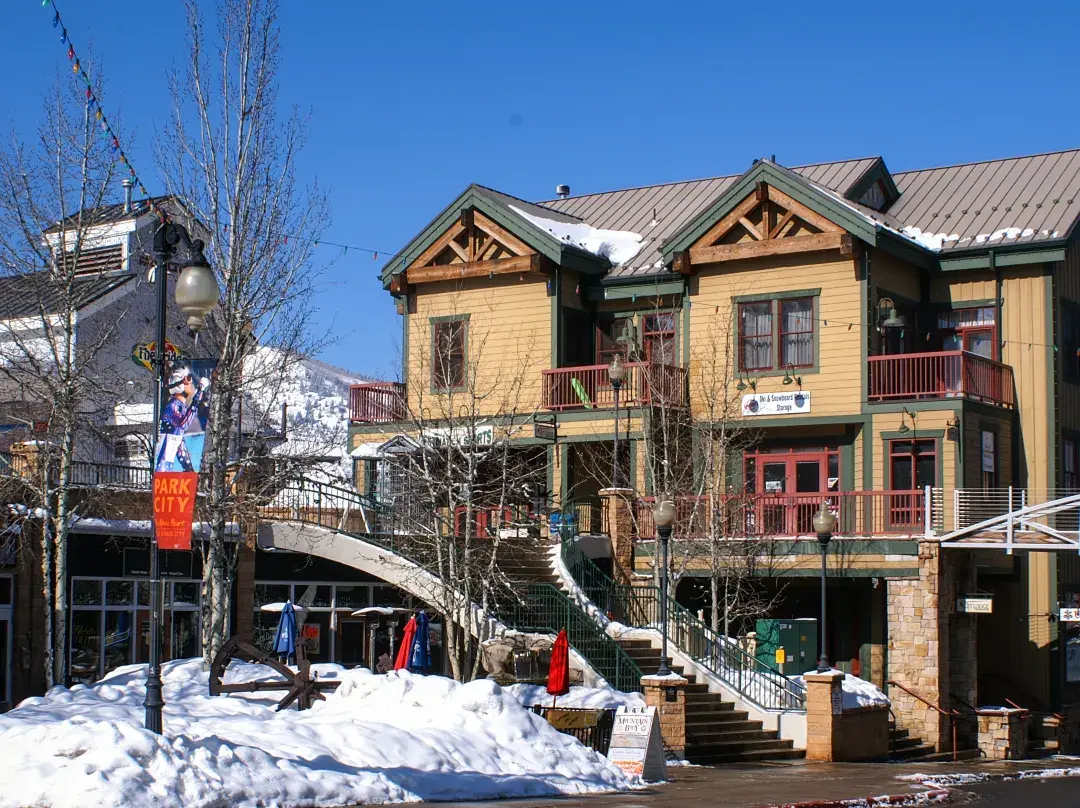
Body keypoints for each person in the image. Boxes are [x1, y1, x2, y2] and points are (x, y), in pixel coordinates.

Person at [155, 366, 210, 472]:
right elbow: (184, 424)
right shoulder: (173, 407)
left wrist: (188, 467)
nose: (191, 382)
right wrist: (200, 391)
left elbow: (178, 441)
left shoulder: (180, 407)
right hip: (162, 468)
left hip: (166, 468)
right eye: (188, 378)